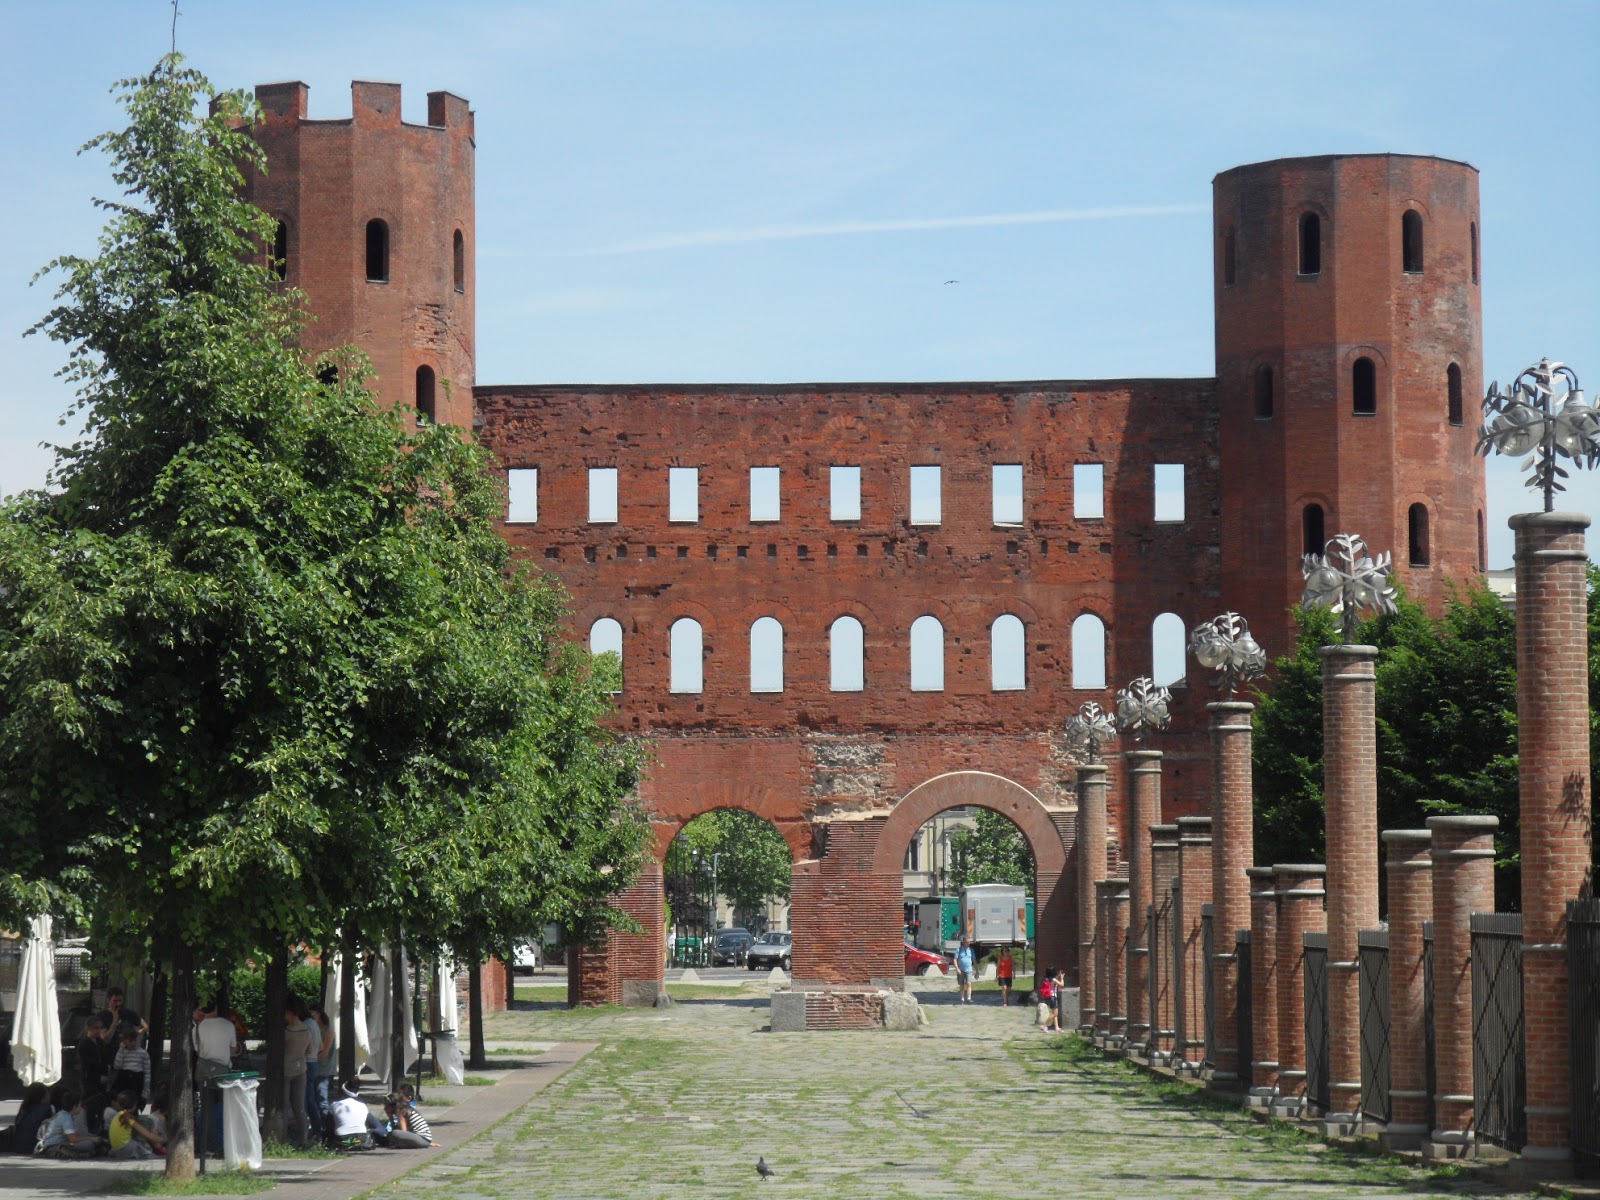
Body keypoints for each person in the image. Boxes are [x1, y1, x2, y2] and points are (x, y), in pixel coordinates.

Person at [282, 998, 313, 1147]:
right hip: (301, 1069)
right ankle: (303, 1139)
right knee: (299, 1108)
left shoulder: (287, 1031)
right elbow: (310, 1050)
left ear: (291, 1013)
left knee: (284, 1105)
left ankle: (282, 1138)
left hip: (286, 1069)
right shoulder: (306, 1029)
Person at [37, 1090, 101, 1158]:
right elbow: (73, 1139)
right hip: (54, 1147)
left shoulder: (64, 1114)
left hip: (58, 1144)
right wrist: (91, 1139)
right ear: (74, 1106)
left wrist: (92, 1138)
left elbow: (76, 1135)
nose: (81, 1108)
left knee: (89, 1143)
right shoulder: (66, 1118)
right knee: (89, 1144)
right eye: (79, 1105)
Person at [194, 998, 241, 1083]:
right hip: (223, 1071)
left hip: (204, 1072)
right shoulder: (228, 1025)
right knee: (223, 1095)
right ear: (216, 1007)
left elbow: (197, 1051)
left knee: (204, 1095)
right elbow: (233, 1050)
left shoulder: (196, 1028)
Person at [106, 1091, 165, 1159]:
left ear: (119, 1104)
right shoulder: (128, 1117)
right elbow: (147, 1134)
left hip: (115, 1149)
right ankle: (148, 1154)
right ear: (134, 1105)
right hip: (127, 1148)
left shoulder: (118, 1115)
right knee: (138, 1143)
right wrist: (162, 1139)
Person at [306, 1004, 334, 1140]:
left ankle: (328, 1130)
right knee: (315, 1100)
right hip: (317, 1067)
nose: (311, 1016)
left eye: (312, 1013)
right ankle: (320, 1130)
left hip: (324, 1069)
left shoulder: (328, 1030)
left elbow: (325, 1052)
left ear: (319, 1013)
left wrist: (311, 1062)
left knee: (322, 1100)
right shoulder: (314, 1028)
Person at [328, 1079, 376, 1152]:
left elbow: (329, 1126)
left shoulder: (335, 1105)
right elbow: (366, 1125)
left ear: (343, 1092)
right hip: (361, 1138)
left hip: (342, 1139)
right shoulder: (363, 1106)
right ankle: (357, 1144)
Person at [381, 1082, 433, 1149]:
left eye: (387, 1106)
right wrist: (390, 1117)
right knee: (392, 1134)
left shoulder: (401, 1111)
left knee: (394, 1133)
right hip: (424, 1139)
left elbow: (403, 1133)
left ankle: (401, 1145)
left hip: (422, 1138)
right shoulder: (404, 1109)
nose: (385, 1108)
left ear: (392, 1106)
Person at [3, 1083, 51, 1154]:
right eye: (47, 1094)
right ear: (43, 1097)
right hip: (32, 1147)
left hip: (17, 1146)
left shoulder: (24, 1109)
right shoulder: (46, 1109)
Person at [109, 1028, 151, 1106]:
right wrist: (121, 1050)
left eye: (135, 1040)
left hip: (137, 1080)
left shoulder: (143, 1053)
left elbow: (147, 1073)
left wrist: (145, 1091)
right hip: (124, 1079)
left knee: (134, 1105)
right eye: (130, 1041)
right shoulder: (121, 1052)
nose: (133, 1043)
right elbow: (117, 1066)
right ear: (124, 1041)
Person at [74, 1016, 109, 1098]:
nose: (98, 1031)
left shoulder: (100, 1043)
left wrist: (105, 1074)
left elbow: (105, 1059)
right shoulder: (83, 1044)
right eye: (95, 1028)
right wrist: (97, 1077)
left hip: (102, 1078)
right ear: (89, 1028)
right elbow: (86, 1064)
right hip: (89, 1080)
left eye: (100, 1028)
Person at [953, 937, 976, 1004]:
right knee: (962, 984)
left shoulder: (971, 950)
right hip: (961, 969)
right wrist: (957, 968)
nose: (969, 943)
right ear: (964, 942)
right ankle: (962, 998)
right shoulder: (959, 950)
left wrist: (976, 970)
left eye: (969, 942)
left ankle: (969, 998)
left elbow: (974, 960)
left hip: (969, 969)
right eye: (967, 942)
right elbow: (955, 959)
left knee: (969, 983)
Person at [1036, 965, 1058, 1031]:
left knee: (1054, 1012)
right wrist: (1062, 978)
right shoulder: (1053, 979)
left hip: (1048, 996)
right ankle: (1044, 1025)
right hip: (1053, 996)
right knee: (1055, 1013)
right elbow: (1062, 984)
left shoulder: (1045, 979)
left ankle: (1056, 1027)